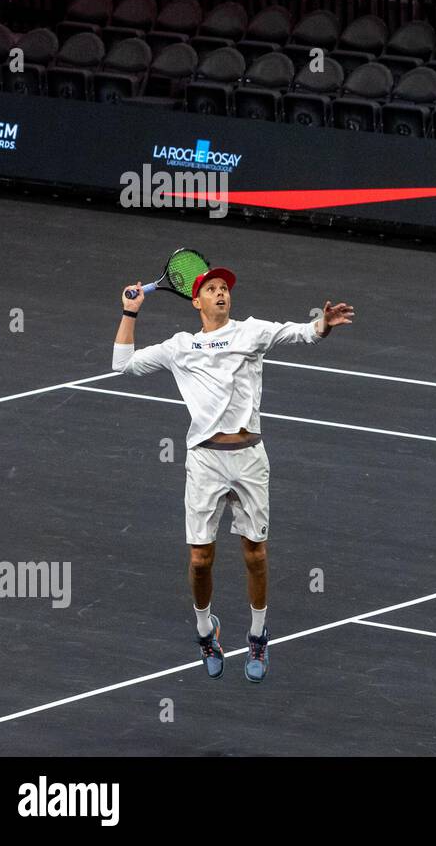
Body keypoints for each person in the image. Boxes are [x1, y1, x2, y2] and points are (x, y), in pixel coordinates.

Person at [113, 266, 355, 682]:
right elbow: (123, 364)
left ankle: (259, 634)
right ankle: (206, 629)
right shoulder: (180, 346)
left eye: (225, 288)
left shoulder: (252, 332)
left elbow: (302, 333)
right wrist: (131, 312)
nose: (222, 294)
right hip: (205, 462)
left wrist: (324, 324)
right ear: (197, 301)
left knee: (255, 554)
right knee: (200, 559)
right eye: (212, 289)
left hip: (249, 460)